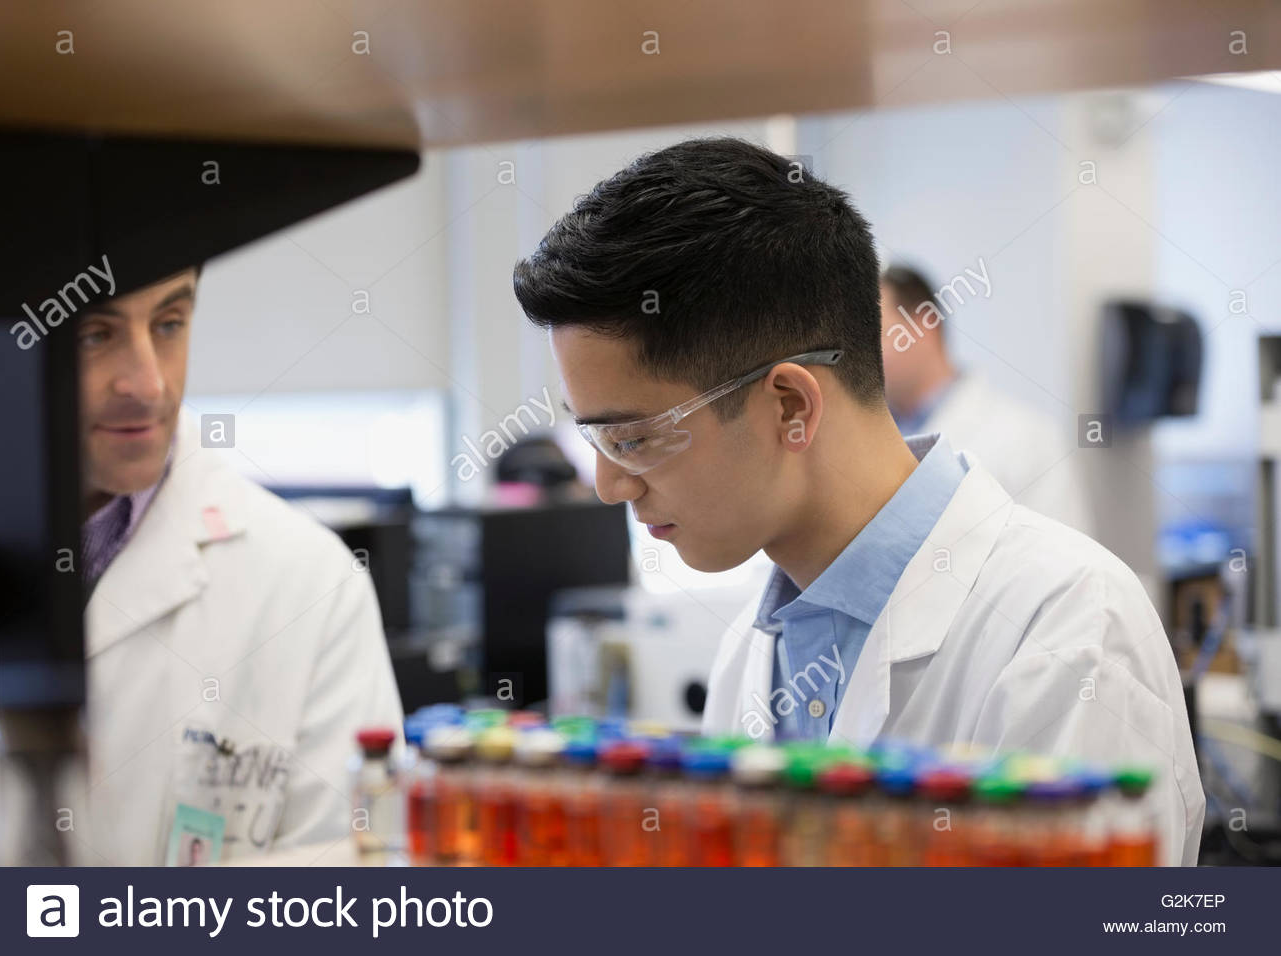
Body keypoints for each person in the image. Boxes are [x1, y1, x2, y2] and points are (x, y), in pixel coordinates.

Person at [513, 137, 1204, 865]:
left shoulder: (1068, 634)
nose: (607, 484)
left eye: (631, 437)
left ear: (789, 406)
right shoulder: (750, 654)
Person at [0, 267, 403, 864]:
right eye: (93, 334)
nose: (149, 384)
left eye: (169, 323)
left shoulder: (309, 580)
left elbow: (358, 880)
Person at [880, 263, 1094, 535]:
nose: (859, 353)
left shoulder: (1028, 439)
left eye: (874, 332)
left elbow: (1067, 561)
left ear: (925, 324)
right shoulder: (861, 440)